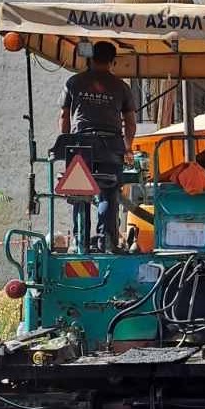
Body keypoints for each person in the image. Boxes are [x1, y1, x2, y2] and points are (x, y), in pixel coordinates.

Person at [59, 40, 137, 253]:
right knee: (108, 192)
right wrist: (128, 147)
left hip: (80, 145)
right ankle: (107, 242)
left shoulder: (74, 82)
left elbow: (64, 115)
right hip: (110, 147)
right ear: (113, 62)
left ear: (90, 58)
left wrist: (66, 142)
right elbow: (130, 122)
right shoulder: (121, 87)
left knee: (79, 192)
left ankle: (80, 242)